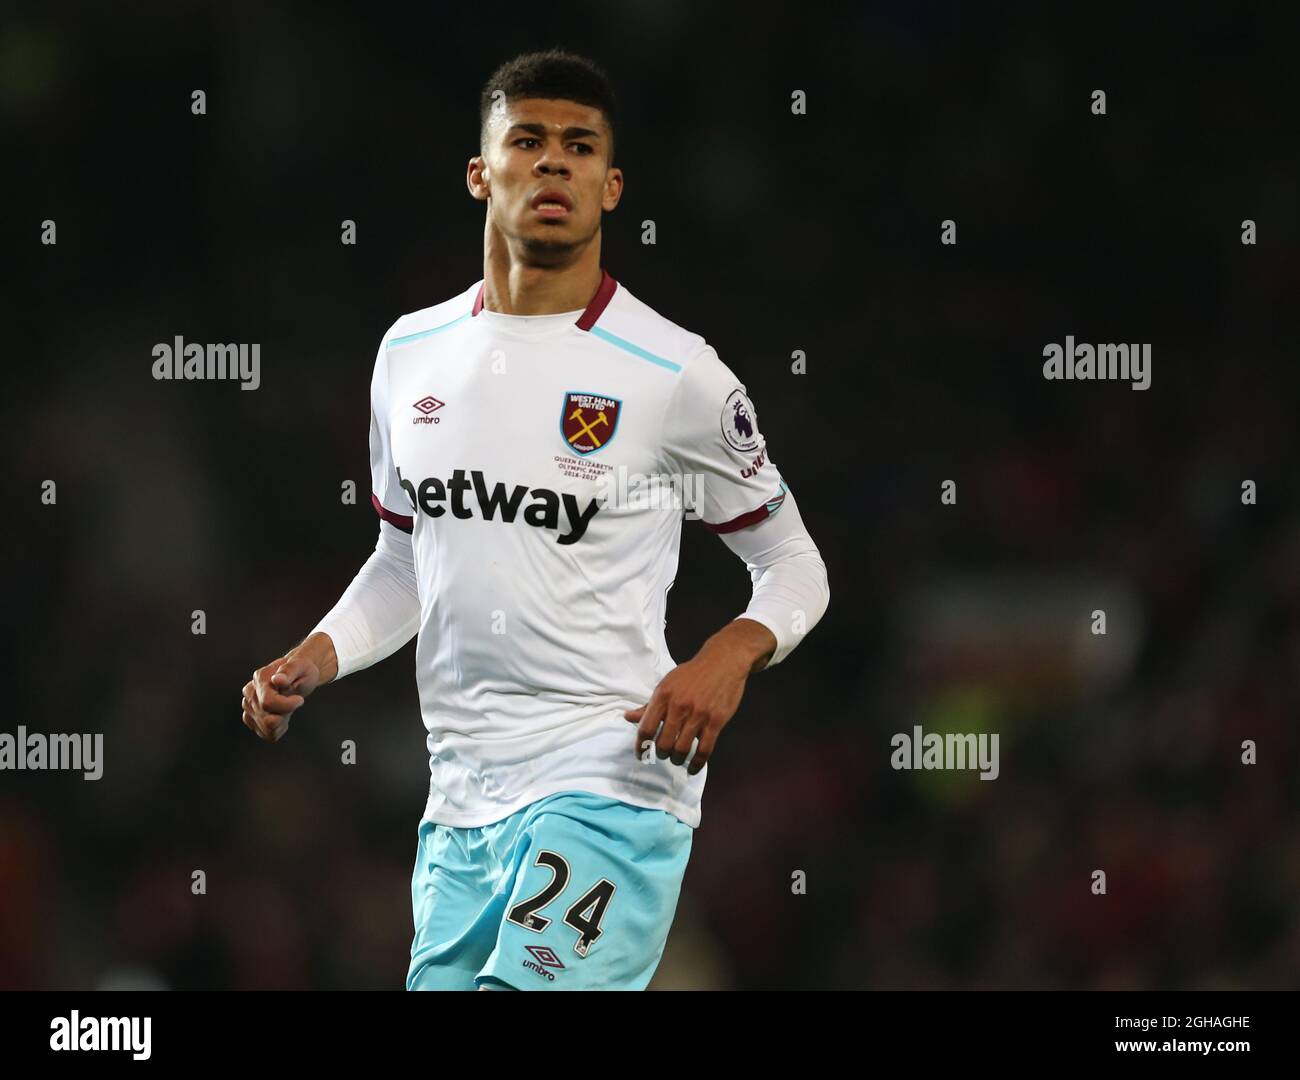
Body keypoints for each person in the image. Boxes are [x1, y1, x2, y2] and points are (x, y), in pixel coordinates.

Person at [241, 48, 829, 990]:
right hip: (462, 793)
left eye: (579, 146)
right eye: (528, 140)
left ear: (611, 185)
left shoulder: (674, 371)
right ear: (482, 172)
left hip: (612, 771)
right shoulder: (411, 354)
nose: (554, 163)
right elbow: (405, 558)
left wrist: (728, 655)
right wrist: (317, 654)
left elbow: (795, 562)